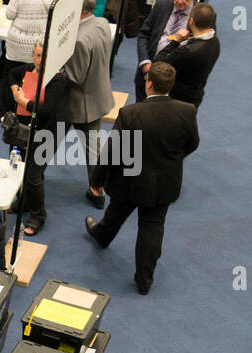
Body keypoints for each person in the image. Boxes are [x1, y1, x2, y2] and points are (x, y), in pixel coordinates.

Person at [85, 62, 199, 295]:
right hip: (163, 184)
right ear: (170, 85)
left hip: (129, 181)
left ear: (148, 84)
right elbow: (192, 144)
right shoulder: (187, 111)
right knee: (152, 229)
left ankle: (102, 236)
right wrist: (172, 160)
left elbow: (111, 151)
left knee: (116, 212)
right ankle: (144, 280)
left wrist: (97, 180)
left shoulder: (130, 113)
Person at [59, 0, 115, 207]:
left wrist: (53, 69)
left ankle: (30, 182)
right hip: (97, 96)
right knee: (94, 148)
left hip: (76, 104)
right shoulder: (101, 23)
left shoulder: (79, 40)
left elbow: (73, 77)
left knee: (43, 143)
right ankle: (98, 190)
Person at [9, 42, 69, 236]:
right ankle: (24, 202)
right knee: (21, 166)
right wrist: (14, 88)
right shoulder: (28, 70)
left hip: (48, 131)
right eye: (36, 55)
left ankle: (38, 215)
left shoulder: (57, 80)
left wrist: (23, 101)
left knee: (34, 175)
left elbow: (45, 113)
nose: (39, 60)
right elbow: (11, 73)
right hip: (25, 128)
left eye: (43, 56)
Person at [2, 0, 60, 118]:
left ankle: (5, 111)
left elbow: (9, 15)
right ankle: (26, 113)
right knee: (34, 82)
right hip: (38, 48)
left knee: (10, 78)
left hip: (16, 43)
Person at [136, 0, 196, 102]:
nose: (180, 1)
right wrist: (145, 62)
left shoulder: (199, 14)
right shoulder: (161, 5)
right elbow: (143, 35)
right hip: (150, 72)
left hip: (178, 78)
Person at [155, 2, 219, 108]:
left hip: (176, 101)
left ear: (191, 21)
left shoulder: (188, 51)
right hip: (195, 97)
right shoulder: (215, 42)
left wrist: (176, 41)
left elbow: (158, 63)